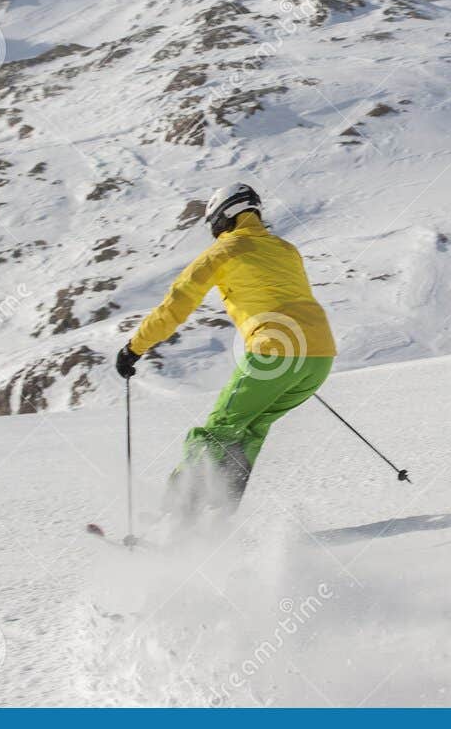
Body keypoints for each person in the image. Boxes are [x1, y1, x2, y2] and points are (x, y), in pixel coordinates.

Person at [115, 183, 336, 512]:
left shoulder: (223, 251)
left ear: (225, 215)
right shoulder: (286, 249)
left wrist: (134, 348)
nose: (213, 231)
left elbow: (175, 307)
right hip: (319, 358)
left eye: (214, 223)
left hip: (274, 353)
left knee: (217, 430)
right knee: (250, 430)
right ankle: (216, 519)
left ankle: (174, 520)